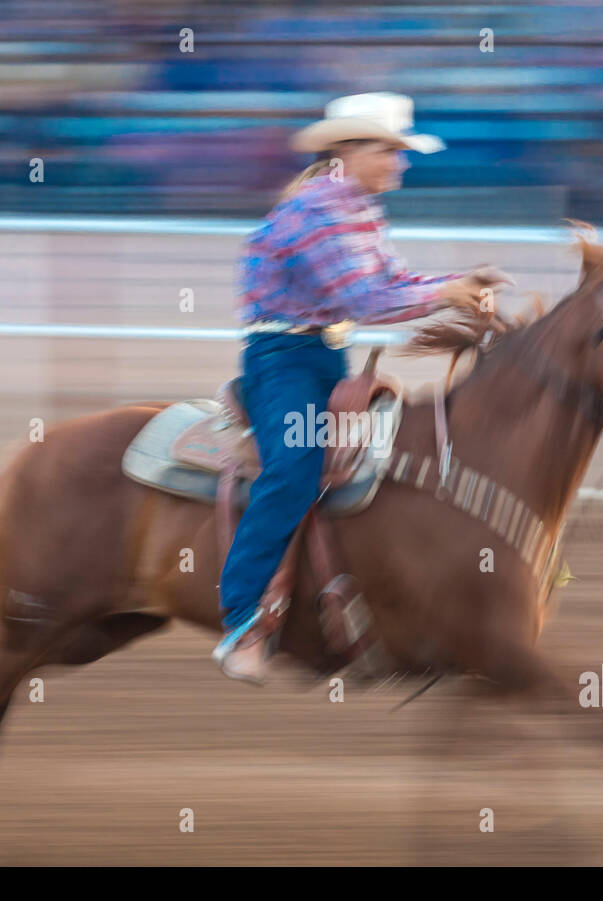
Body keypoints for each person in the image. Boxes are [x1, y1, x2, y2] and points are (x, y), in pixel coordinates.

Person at [214, 91, 510, 683]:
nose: (399, 162)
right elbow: (365, 300)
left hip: (322, 353)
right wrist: (447, 294)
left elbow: (391, 279)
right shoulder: (318, 212)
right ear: (349, 151)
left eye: (401, 151)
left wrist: (456, 282)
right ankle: (242, 619)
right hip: (283, 359)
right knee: (295, 466)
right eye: (390, 150)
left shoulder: (357, 207)